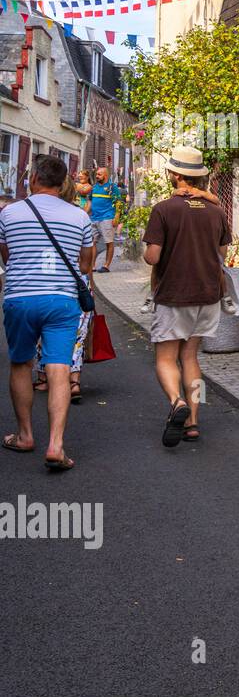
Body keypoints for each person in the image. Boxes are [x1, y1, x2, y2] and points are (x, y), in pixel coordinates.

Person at [0, 154, 95, 470]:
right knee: (59, 370)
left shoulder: (9, 213)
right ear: (63, 182)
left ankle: (25, 435)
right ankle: (56, 445)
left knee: (21, 363)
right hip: (62, 301)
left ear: (35, 179)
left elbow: (6, 255)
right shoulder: (80, 217)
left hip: (21, 298)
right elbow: (84, 264)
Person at [142, 147, 230, 447]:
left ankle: (177, 402)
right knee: (191, 357)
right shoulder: (217, 211)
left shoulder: (163, 209)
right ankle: (194, 419)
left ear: (176, 175)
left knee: (166, 358)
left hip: (175, 293)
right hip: (208, 294)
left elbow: (153, 258)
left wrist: (150, 250)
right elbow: (222, 254)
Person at [33, 171, 95, 403]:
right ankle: (74, 380)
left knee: (44, 329)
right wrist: (90, 287)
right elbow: (88, 260)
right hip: (78, 283)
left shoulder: (39, 215)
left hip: (47, 281)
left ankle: (43, 377)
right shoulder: (80, 217)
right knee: (77, 335)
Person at [88, 166, 123, 272]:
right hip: (93, 218)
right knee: (91, 242)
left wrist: (117, 216)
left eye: (99, 174)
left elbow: (118, 202)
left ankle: (106, 266)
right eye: (97, 174)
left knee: (109, 242)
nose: (97, 176)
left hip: (107, 218)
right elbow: (89, 202)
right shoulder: (94, 187)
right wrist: (84, 214)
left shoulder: (112, 187)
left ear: (105, 175)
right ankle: (92, 266)